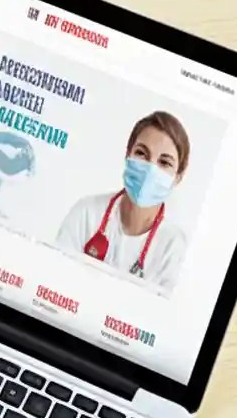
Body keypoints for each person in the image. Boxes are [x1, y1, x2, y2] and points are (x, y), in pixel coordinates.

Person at [55, 111, 190, 294]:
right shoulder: (86, 212)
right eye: (142, 153)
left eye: (164, 163)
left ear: (178, 177)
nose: (150, 169)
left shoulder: (174, 246)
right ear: (128, 155)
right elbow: (56, 278)